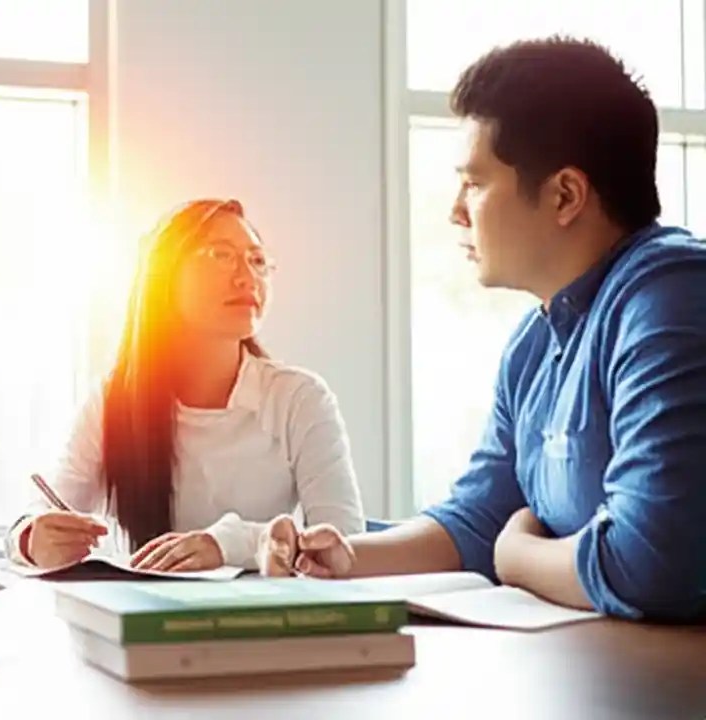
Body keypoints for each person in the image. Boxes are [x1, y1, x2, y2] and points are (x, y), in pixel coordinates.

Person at [261, 37, 706, 622]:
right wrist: (344, 560)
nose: (455, 210)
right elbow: (477, 518)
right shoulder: (535, 341)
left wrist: (517, 554)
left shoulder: (672, 298)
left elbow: (649, 564)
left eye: (473, 183)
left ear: (565, 195)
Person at [6, 199, 365, 572]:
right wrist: (31, 539)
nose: (247, 277)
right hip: (137, 620)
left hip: (262, 621)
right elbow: (42, 511)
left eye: (258, 260)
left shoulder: (298, 398)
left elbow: (345, 544)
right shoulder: (114, 401)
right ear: (165, 275)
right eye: (221, 255)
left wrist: (232, 543)